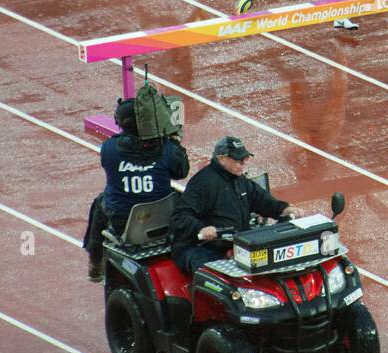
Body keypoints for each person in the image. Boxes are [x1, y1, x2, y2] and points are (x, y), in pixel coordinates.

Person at [82, 92, 189, 282]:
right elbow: (181, 172)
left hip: (124, 222)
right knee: (181, 196)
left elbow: (110, 169)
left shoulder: (109, 148)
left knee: (100, 202)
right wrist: (173, 141)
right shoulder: (166, 148)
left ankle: (95, 261)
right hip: (163, 218)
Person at [170, 136, 303, 275]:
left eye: (245, 159)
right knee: (217, 278)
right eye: (239, 160)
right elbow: (179, 216)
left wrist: (284, 209)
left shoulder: (239, 179)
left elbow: (262, 200)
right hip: (199, 247)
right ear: (222, 159)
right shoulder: (203, 183)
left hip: (236, 243)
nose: (244, 163)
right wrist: (202, 228)